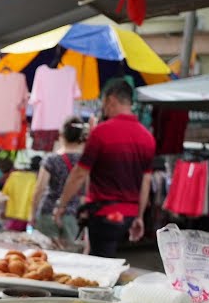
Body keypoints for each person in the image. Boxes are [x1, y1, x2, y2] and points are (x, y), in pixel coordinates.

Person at [52, 80, 156, 257]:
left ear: (111, 100)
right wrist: (139, 217)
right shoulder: (147, 138)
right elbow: (146, 181)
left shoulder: (101, 133)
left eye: (103, 102)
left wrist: (61, 206)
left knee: (97, 267)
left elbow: (79, 173)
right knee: (108, 262)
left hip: (104, 214)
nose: (103, 108)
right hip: (129, 216)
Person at [32, 116, 87, 247]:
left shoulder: (51, 159)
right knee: (69, 257)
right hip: (73, 214)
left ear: (61, 135)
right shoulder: (85, 161)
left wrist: (32, 213)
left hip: (48, 211)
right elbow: (87, 190)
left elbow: (39, 189)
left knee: (44, 255)